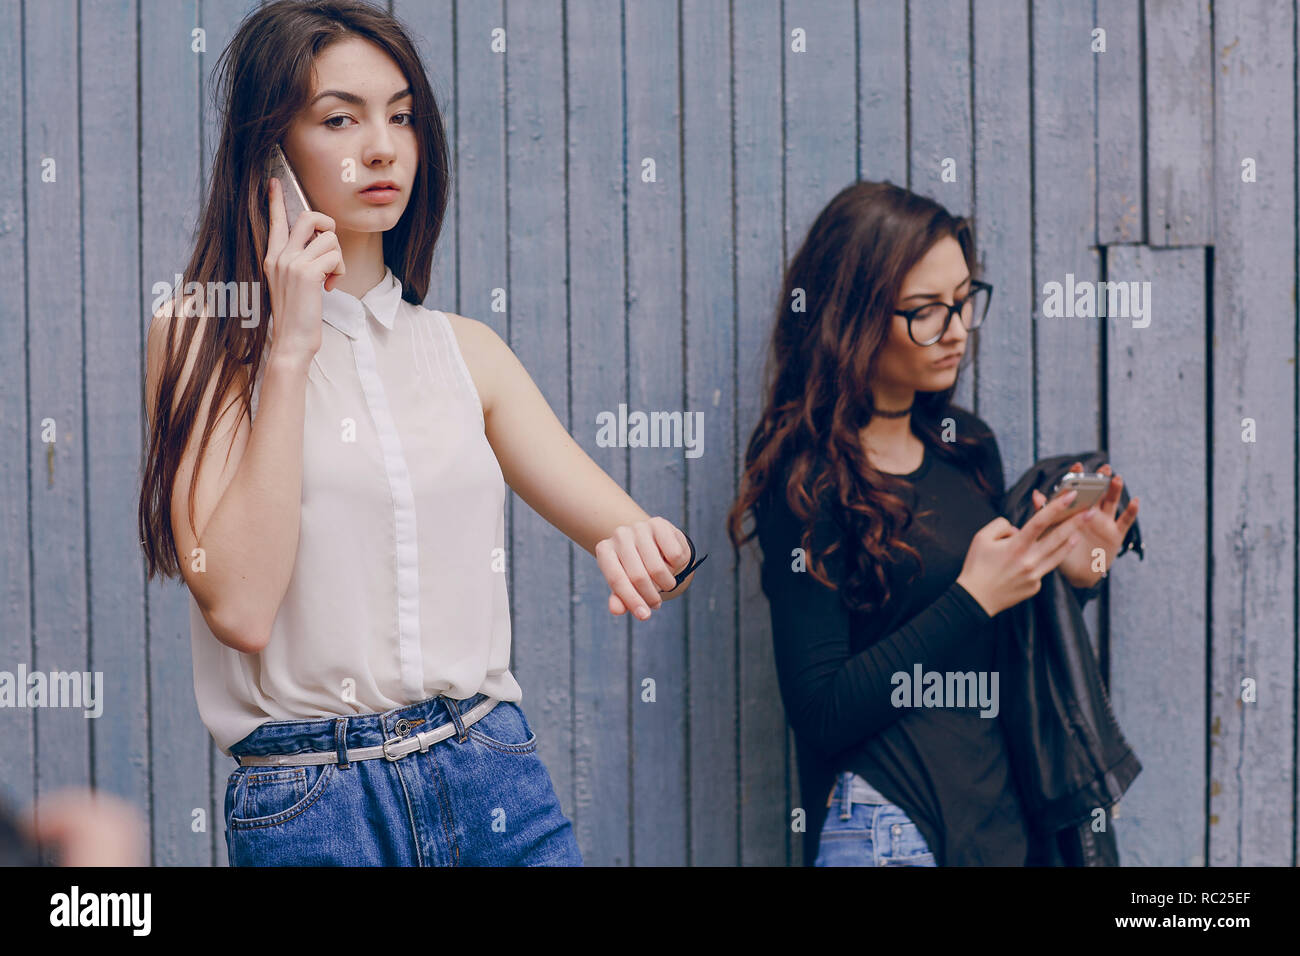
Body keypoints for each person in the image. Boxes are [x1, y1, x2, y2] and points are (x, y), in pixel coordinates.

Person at [136, 0, 704, 867]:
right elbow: (242, 607)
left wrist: (654, 546)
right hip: (315, 806)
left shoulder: (467, 353)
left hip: (492, 776)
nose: (382, 146)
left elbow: (632, 532)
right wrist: (289, 348)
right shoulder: (198, 336)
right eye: (339, 119)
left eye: (401, 116)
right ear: (268, 153)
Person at [726, 180, 1139, 866]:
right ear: (851, 316)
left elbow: (1001, 643)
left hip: (999, 823)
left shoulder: (965, 443)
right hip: (888, 827)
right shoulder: (805, 479)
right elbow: (822, 712)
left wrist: (1077, 572)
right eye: (925, 311)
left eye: (962, 300)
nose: (956, 330)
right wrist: (972, 596)